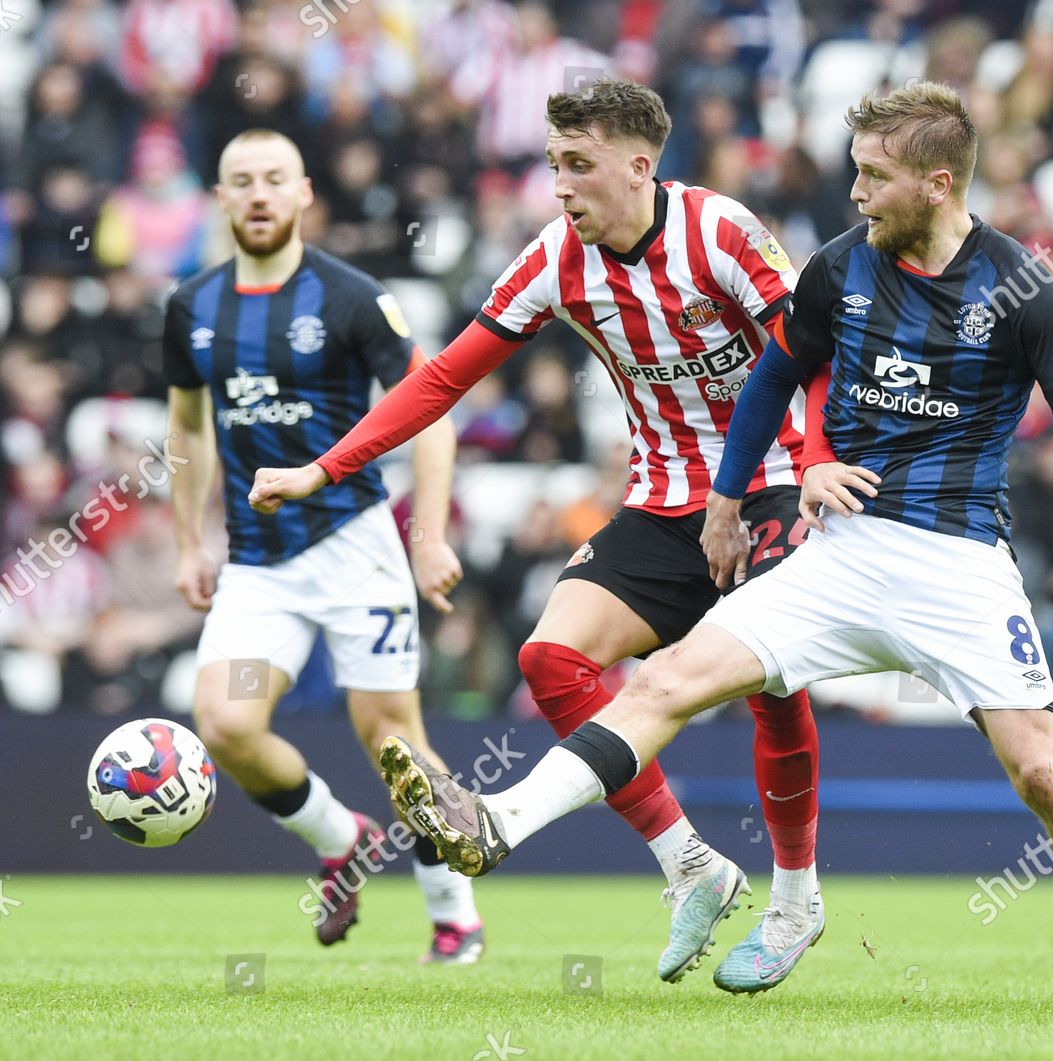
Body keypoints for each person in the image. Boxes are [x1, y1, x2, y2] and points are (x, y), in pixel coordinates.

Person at [366, 81, 1053, 1011]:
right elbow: (771, 379)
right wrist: (731, 498)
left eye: (875, 177)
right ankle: (500, 819)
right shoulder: (840, 268)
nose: (857, 192)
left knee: (1042, 773)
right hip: (839, 550)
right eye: (855, 171)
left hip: (959, 563)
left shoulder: (1018, 284)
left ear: (938, 183)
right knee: (667, 680)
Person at [246, 80, 821, 990]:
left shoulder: (722, 232)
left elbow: (812, 351)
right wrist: (327, 466)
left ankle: (795, 899)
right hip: (663, 499)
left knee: (770, 682)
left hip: (776, 481)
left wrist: (817, 465)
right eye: (554, 164)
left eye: (579, 165)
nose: (560, 186)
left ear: (639, 166)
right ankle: (691, 865)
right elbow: (443, 379)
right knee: (551, 660)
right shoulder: (556, 257)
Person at [164, 129, 483, 964]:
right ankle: (342, 837)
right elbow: (187, 426)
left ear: (304, 192)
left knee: (392, 739)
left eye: (274, 178)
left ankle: (454, 914)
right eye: (242, 181)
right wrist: (189, 542)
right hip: (258, 569)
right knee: (226, 722)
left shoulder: (353, 298)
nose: (259, 194)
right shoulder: (191, 306)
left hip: (357, 554)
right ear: (220, 199)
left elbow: (433, 414)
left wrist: (427, 537)